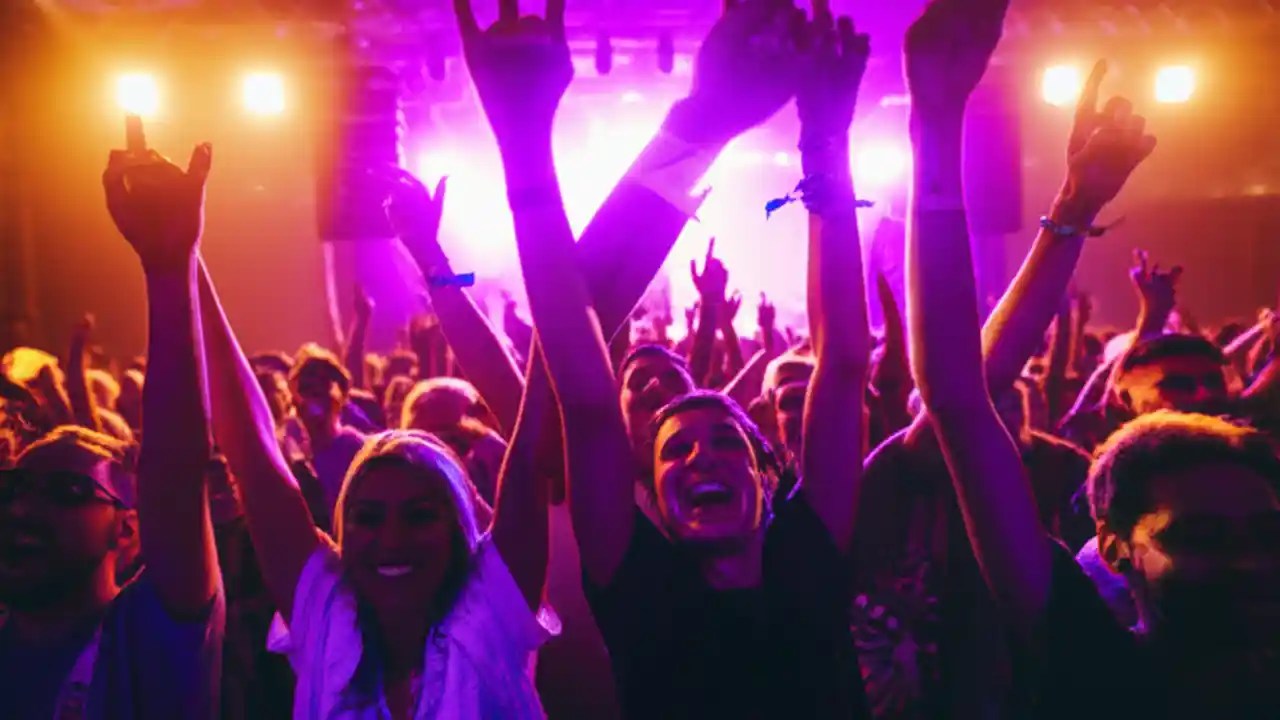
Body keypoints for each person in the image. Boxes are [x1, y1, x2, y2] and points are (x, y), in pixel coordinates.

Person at [492, 0, 873, 715]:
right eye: (675, 452)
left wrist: (826, 140)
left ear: (770, 474)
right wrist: (527, 145)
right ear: (655, 497)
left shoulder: (806, 557)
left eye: (727, 441)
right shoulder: (640, 584)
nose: (701, 458)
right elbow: (582, 386)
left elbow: (844, 360)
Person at [0, 132, 227, 719]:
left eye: (66, 492)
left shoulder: (147, 635)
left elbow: (175, 473)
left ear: (127, 532)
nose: (22, 509)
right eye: (12, 489)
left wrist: (169, 267)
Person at [288, 349, 367, 515]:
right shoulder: (294, 454)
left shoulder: (356, 451)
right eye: (304, 392)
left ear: (337, 400)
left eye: (318, 393)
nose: (310, 404)